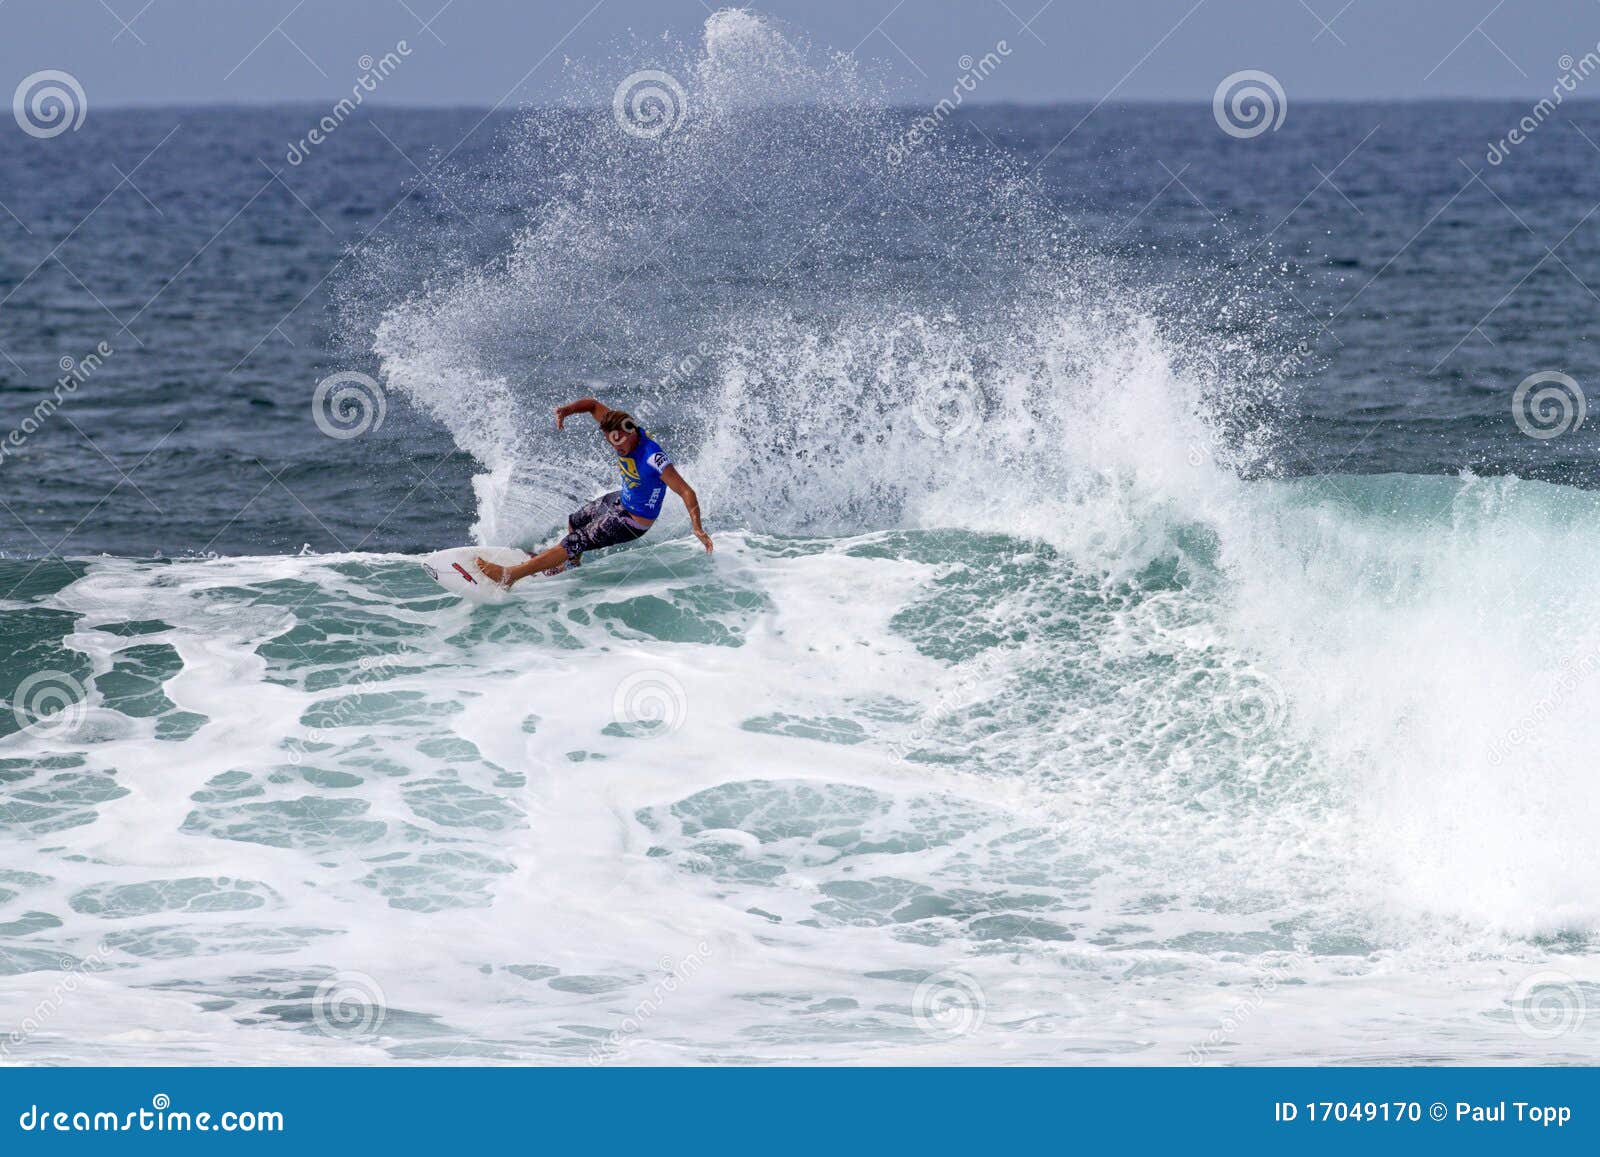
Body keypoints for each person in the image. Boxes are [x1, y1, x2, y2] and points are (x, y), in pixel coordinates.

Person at [477, 398, 712, 588]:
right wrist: (566, 411)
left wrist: (697, 527)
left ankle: (509, 576)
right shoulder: (619, 427)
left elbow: (686, 491)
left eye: (620, 443)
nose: (616, 447)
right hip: (621, 499)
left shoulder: (653, 457)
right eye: (612, 442)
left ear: (630, 433)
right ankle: (569, 565)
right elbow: (592, 405)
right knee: (575, 521)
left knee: (573, 541)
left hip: (633, 520)